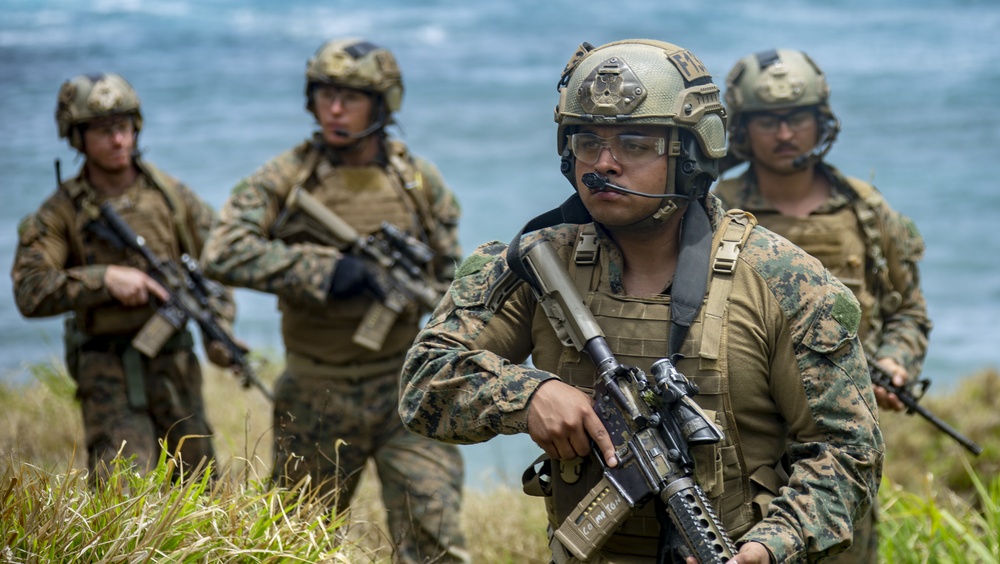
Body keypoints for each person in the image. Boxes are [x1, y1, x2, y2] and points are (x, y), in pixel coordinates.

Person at [399, 39, 884, 563]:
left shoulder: (786, 283)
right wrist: (528, 394)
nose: (604, 164)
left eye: (634, 144)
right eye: (587, 142)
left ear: (690, 154)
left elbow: (849, 451)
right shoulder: (533, 263)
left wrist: (772, 546)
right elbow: (424, 381)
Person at [201, 39, 467, 563]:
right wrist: (326, 271)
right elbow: (222, 250)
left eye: (351, 97)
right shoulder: (285, 177)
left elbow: (449, 277)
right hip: (316, 396)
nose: (335, 109)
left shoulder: (416, 181)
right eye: (325, 95)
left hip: (405, 389)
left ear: (382, 104)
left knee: (434, 538)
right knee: (296, 545)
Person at [713, 48, 932, 563]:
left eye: (798, 117)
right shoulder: (714, 211)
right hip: (740, 450)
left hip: (838, 450)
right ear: (744, 127)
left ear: (821, 121)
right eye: (768, 119)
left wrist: (897, 361)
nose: (785, 132)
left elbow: (908, 310)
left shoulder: (867, 213)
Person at [11, 72, 234, 482]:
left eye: (124, 127)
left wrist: (220, 329)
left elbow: (220, 261)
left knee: (200, 489)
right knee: (120, 490)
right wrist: (105, 279)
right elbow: (30, 290)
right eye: (102, 131)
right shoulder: (61, 212)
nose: (118, 141)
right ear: (77, 137)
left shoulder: (171, 196)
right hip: (107, 366)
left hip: (175, 364)